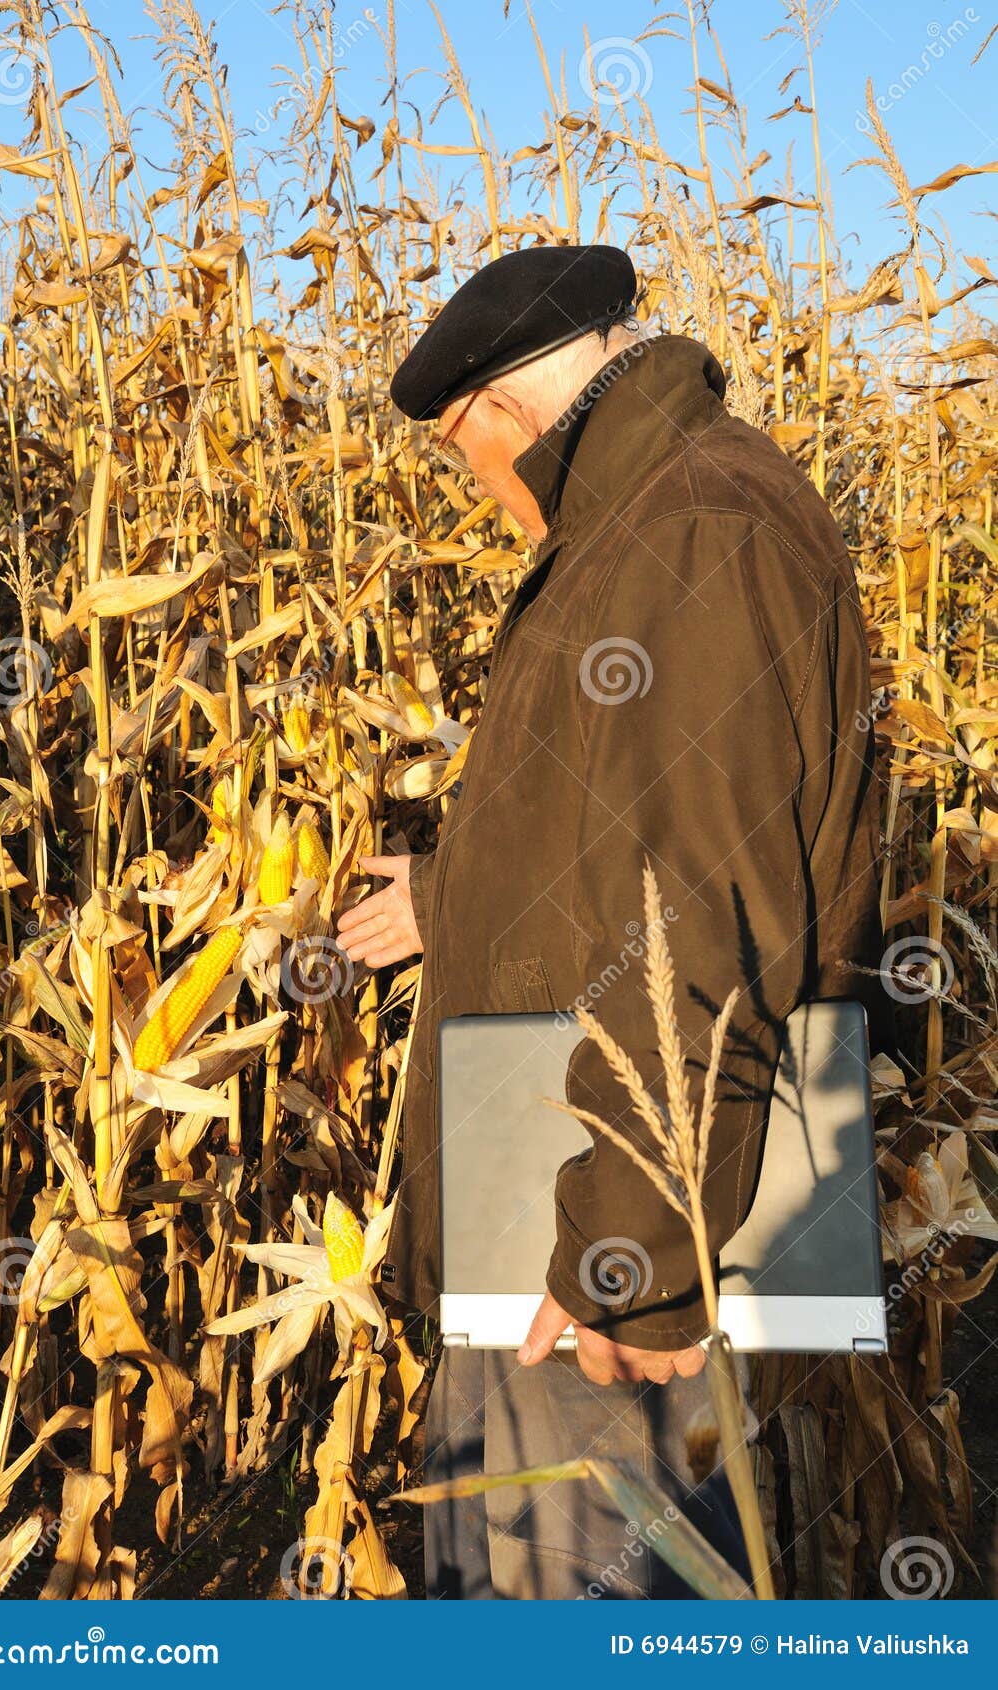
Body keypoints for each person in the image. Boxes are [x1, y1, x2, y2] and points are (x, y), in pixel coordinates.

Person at [335, 245, 891, 1599]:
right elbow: (631, 836)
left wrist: (626, 1266)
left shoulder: (692, 534)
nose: (488, 500)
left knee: (568, 1605)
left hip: (598, 1278)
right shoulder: (667, 511)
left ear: (498, 420)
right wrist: (456, 891)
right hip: (581, 1224)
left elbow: (706, 921)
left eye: (469, 465)